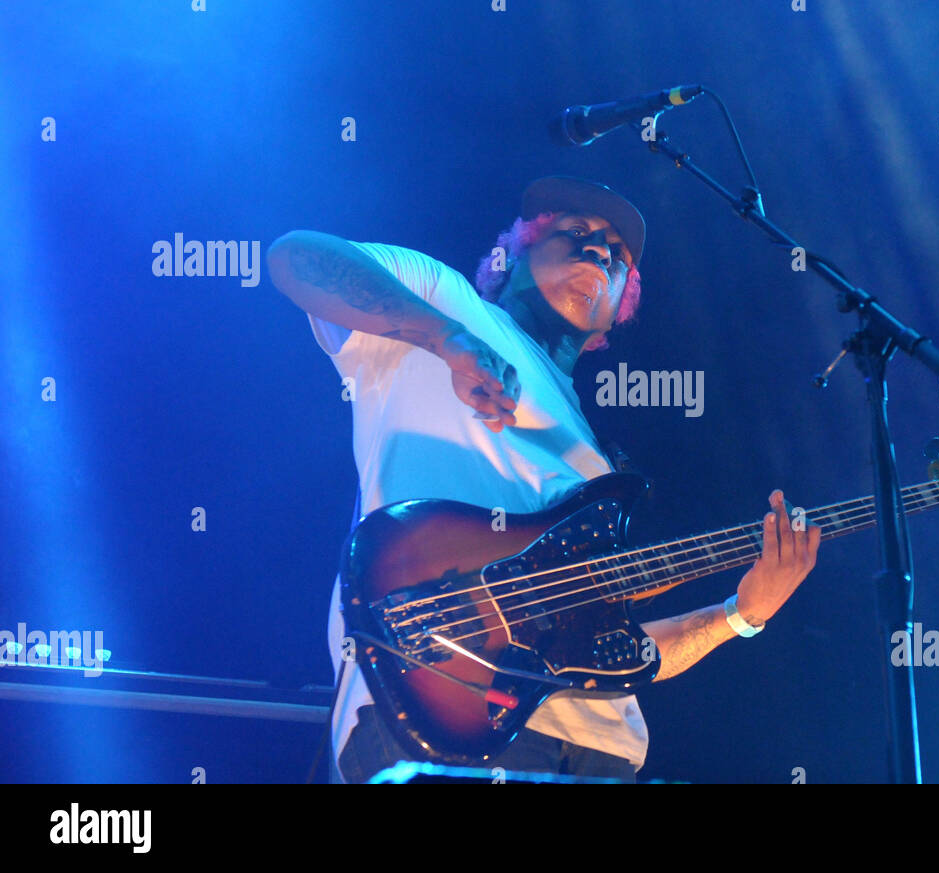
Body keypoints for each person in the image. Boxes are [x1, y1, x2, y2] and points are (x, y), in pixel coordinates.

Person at [267, 176, 821, 783]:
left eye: (617, 256)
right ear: (512, 258)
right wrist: (446, 337)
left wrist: (742, 612)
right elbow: (298, 256)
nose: (599, 252)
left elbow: (612, 650)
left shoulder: (599, 469)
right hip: (447, 719)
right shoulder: (451, 301)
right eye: (575, 234)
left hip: (602, 754)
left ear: (620, 309)